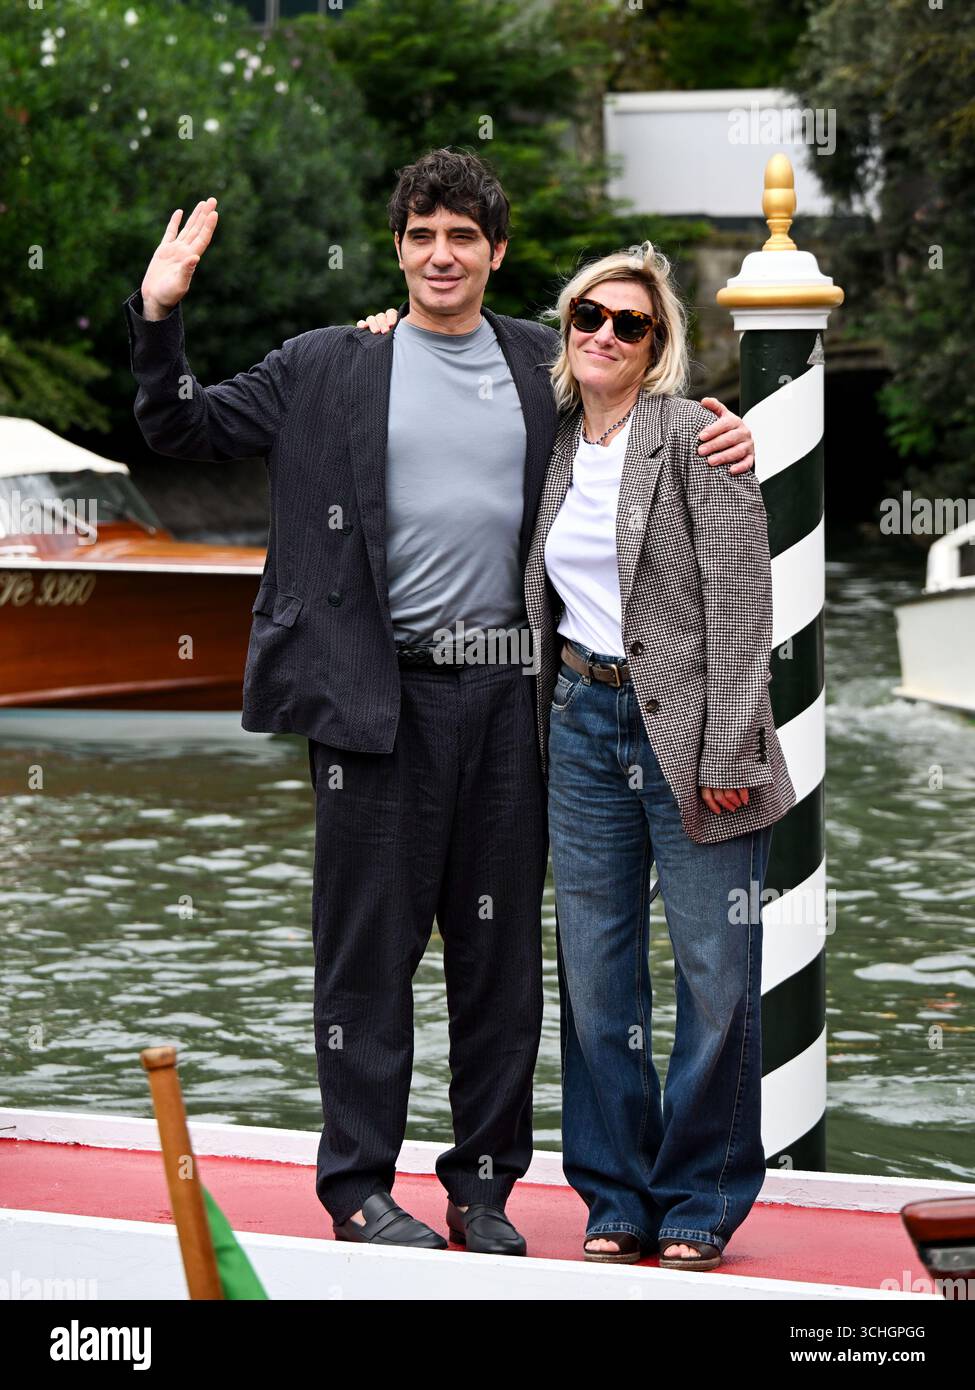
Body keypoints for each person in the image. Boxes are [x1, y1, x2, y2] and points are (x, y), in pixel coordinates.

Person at [123, 148, 753, 1256]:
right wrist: (160, 310)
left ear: (496, 254)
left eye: (463, 236)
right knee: (364, 957)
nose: (440, 254)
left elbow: (632, 421)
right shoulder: (329, 363)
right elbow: (180, 428)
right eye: (421, 235)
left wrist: (727, 429)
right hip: (375, 700)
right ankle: (360, 1185)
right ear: (399, 248)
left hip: (516, 702)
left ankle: (483, 1185)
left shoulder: (542, 361)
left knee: (498, 961)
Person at [521, 243, 796, 1268]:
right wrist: (378, 325)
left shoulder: (695, 438)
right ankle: (614, 1191)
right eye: (588, 316)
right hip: (581, 725)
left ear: (659, 344)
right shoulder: (546, 441)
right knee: (595, 977)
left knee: (716, 977)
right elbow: (448, 340)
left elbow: (741, 601)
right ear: (566, 329)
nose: (604, 334)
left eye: (629, 323)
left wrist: (731, 741)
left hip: (693, 737)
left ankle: (697, 1198)